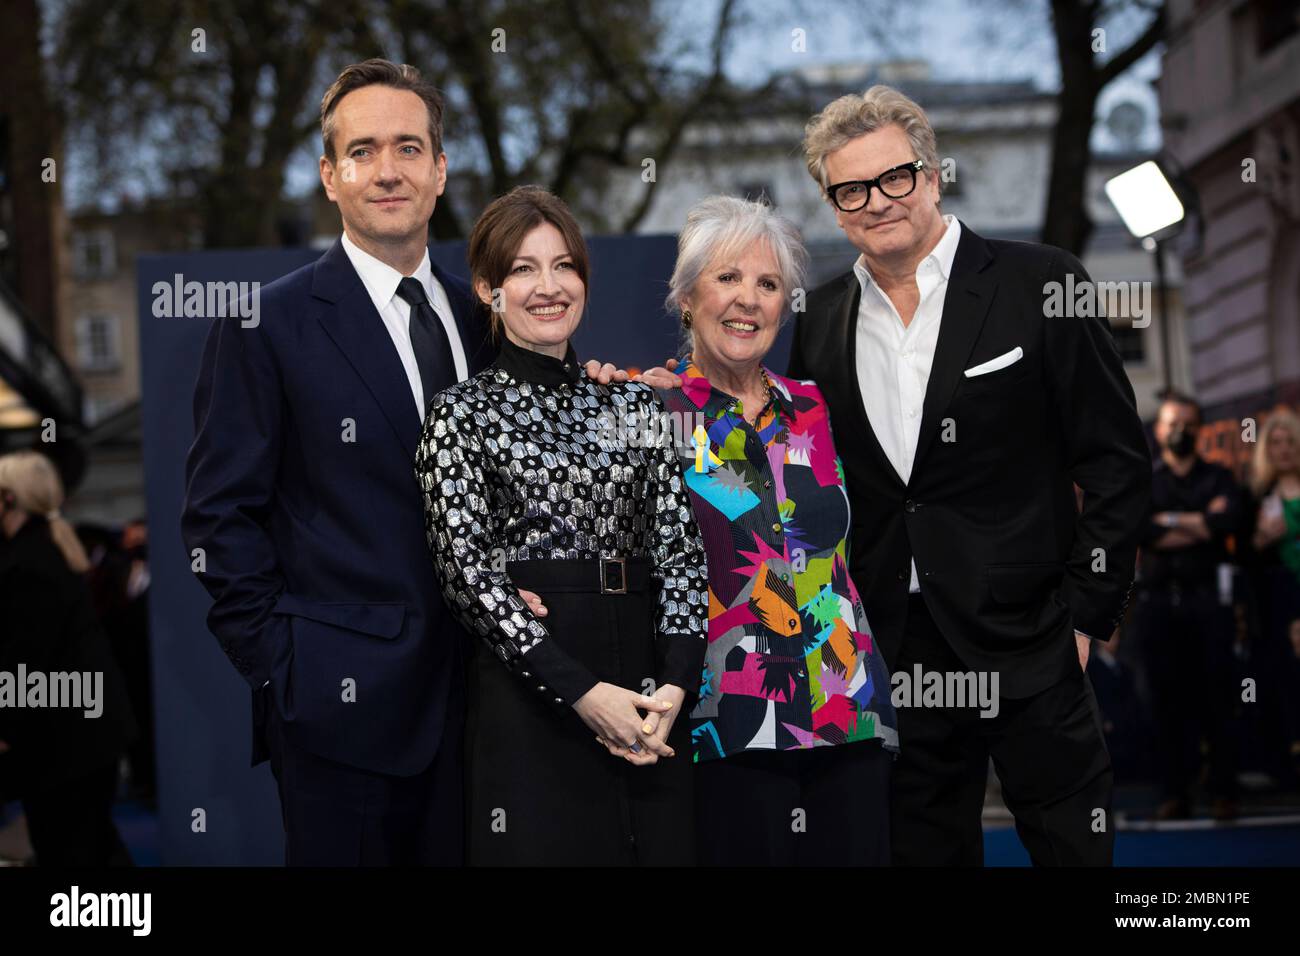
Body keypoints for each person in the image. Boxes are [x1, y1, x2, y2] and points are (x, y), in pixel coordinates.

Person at [641, 85, 1150, 865]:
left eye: (895, 177)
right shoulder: (822, 319)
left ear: (933, 174)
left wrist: (1087, 619)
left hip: (1034, 641)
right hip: (892, 660)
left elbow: (1116, 462)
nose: (877, 201)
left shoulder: (1041, 281)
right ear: (833, 206)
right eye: (851, 189)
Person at [181, 59, 494, 865]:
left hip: (490, 714)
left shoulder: (483, 320)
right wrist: (287, 671)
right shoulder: (265, 323)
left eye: (407, 147)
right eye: (362, 152)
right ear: (330, 176)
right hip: (339, 718)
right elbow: (219, 520)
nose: (387, 170)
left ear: (439, 168)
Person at [415, 186, 708, 865]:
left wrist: (676, 685)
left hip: (652, 698)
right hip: (532, 696)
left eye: (563, 265)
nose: (548, 287)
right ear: (489, 290)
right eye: (522, 269)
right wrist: (578, 691)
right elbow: (467, 575)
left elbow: (680, 553)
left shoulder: (632, 401)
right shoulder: (461, 416)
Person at [658, 195, 898, 866]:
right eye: (728, 278)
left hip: (849, 710)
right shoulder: (651, 411)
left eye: (768, 284)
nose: (748, 300)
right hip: (728, 722)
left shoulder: (817, 407)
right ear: (687, 296)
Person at [0, 450, 136, 866]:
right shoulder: (47, 549)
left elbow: (27, 658)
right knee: (90, 842)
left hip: (65, 741)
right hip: (82, 734)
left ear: (8, 498)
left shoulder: (29, 562)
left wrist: (5, 727)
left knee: (70, 845)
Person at [1132, 393, 1244, 820]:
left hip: (1208, 604)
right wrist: (1198, 521)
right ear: (1159, 430)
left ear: (1200, 429)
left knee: (1218, 699)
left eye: (1189, 422)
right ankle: (1173, 792)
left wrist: (1168, 522)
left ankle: (1223, 790)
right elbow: (1141, 529)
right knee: (1164, 702)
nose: (1181, 430)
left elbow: (1228, 521)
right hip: (1158, 605)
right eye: (1173, 422)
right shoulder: (1146, 480)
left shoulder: (1219, 477)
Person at [1245, 407, 1300, 787]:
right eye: (1275, 443)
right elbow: (1244, 557)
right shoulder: (1257, 497)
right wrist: (1262, 539)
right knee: (1282, 679)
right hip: (1278, 601)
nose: (1283, 450)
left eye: (1290, 442)